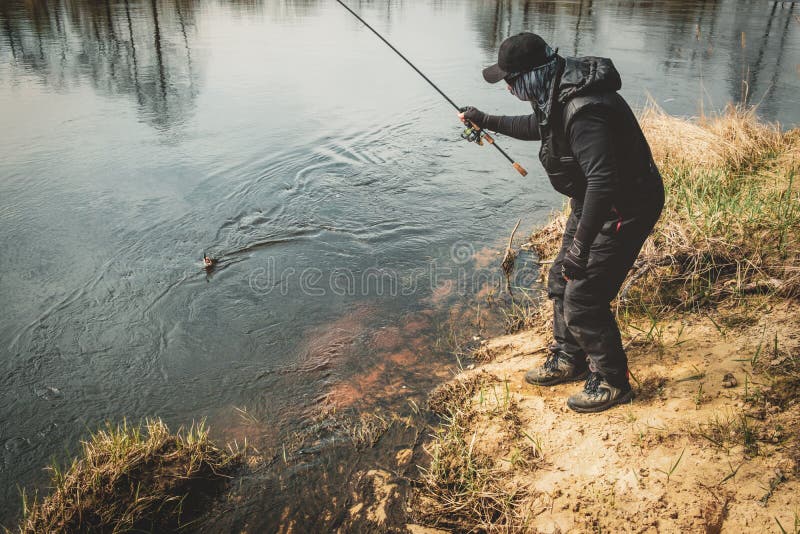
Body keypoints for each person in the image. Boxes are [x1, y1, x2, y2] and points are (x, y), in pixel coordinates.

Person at [459, 32, 664, 413]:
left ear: (532, 74)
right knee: (560, 280)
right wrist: (486, 120)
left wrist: (580, 248)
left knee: (584, 295)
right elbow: (542, 127)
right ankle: (570, 358)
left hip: (624, 208)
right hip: (595, 202)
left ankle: (612, 382)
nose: (507, 87)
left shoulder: (585, 109)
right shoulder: (557, 88)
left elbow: (604, 182)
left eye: (510, 80)